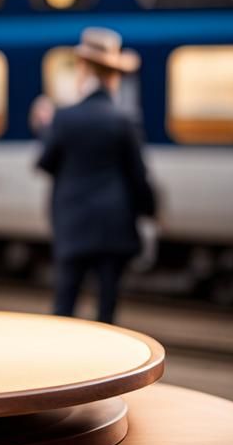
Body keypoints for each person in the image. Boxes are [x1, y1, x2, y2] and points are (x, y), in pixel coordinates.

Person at [37, 28, 157, 324]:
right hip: (115, 226)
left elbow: (45, 163)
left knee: (64, 308)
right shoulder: (124, 121)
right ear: (113, 77)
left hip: (73, 224)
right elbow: (138, 176)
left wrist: (43, 128)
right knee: (107, 311)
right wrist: (150, 213)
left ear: (83, 70)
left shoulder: (64, 117)